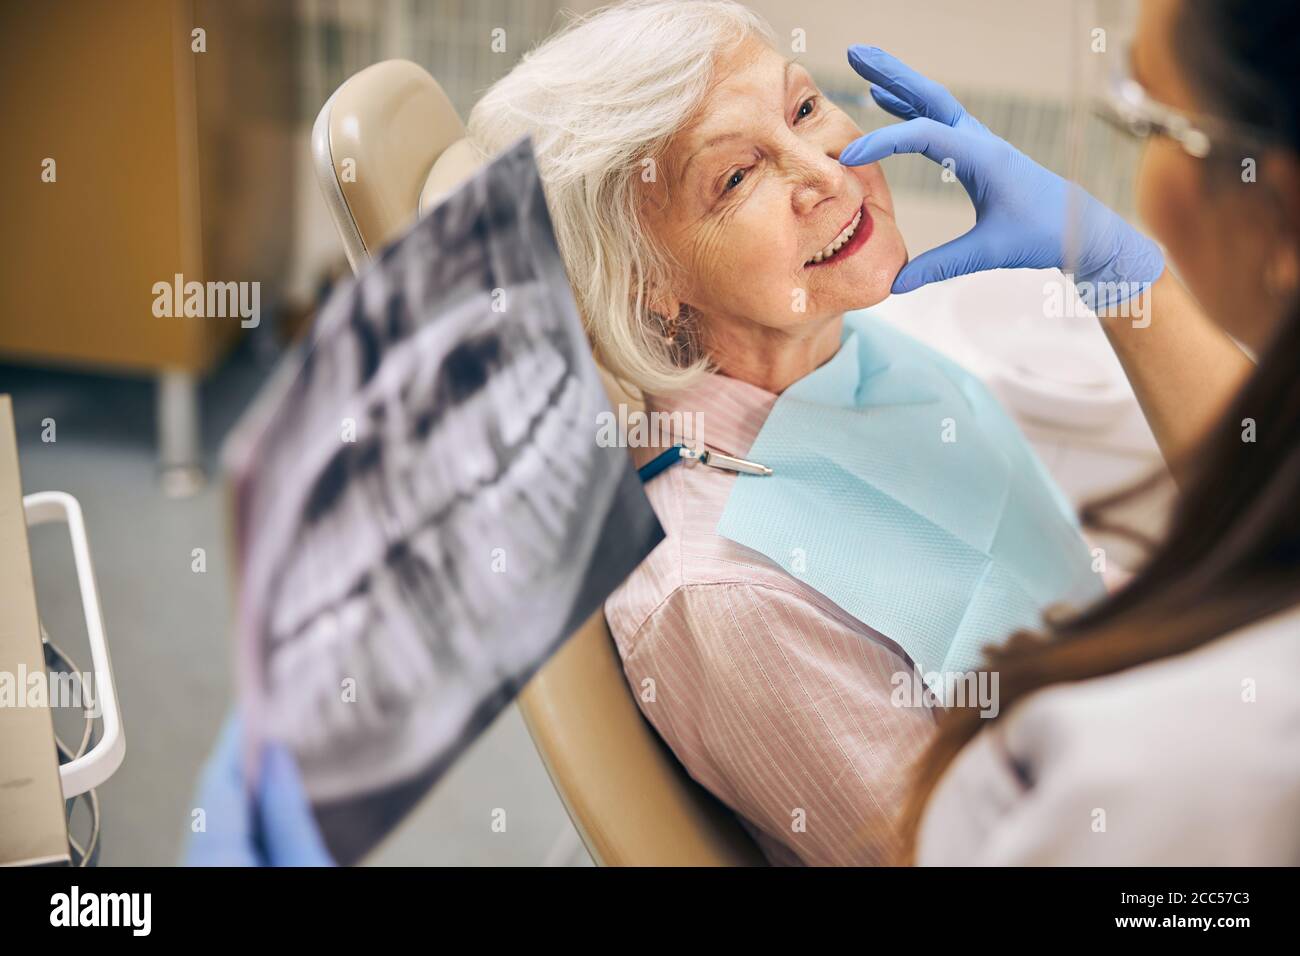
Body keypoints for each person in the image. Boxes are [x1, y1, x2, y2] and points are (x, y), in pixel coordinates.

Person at [465, 0, 1102, 866]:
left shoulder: (848, 349)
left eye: (803, 107)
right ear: (648, 280)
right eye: (735, 178)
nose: (826, 173)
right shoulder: (725, 595)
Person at [836, 0, 1299, 864]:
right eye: (736, 177)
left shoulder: (1169, 776)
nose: (815, 173)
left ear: (1281, 203)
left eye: (1150, 121)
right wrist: (1115, 269)